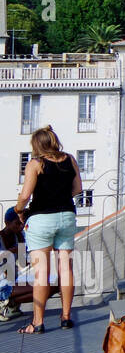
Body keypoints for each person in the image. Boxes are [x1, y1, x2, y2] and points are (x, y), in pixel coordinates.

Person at [12, 126, 80, 333]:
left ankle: (38, 322)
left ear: (36, 145)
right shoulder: (70, 159)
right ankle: (66, 317)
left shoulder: (35, 164)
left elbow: (25, 195)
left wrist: (18, 210)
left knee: (42, 271)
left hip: (41, 219)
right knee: (65, 268)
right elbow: (77, 189)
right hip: (67, 216)